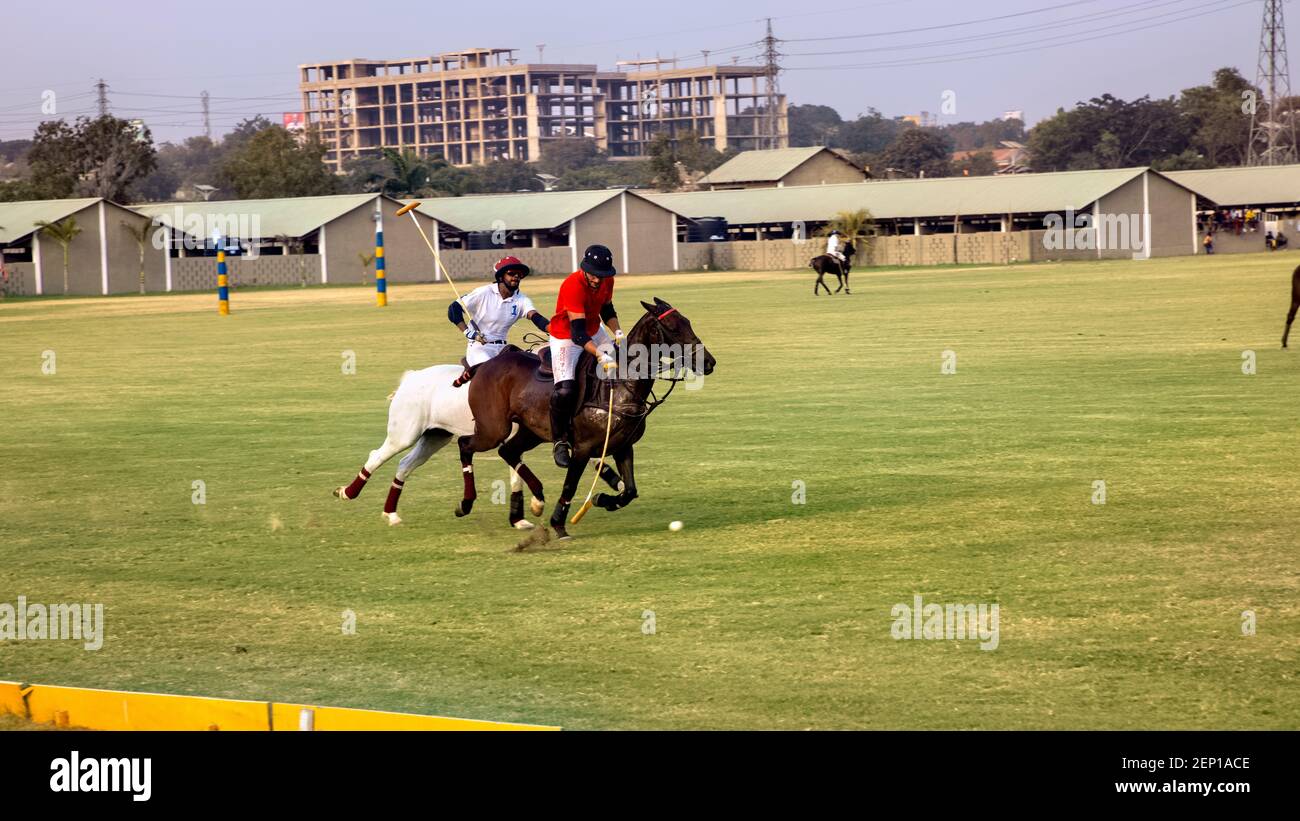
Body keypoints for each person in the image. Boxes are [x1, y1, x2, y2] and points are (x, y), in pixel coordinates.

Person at [548, 244, 621, 468]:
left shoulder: (607, 280)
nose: (598, 280)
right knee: (565, 389)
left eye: (602, 276)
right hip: (566, 336)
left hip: (593, 328)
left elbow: (606, 309)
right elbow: (578, 335)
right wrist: (600, 354)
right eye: (594, 275)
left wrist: (618, 332)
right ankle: (560, 441)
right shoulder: (572, 285)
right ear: (584, 269)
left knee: (622, 365)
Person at [447, 256, 549, 387]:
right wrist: (467, 332)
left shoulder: (521, 299)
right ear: (501, 276)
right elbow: (453, 309)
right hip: (479, 347)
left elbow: (536, 317)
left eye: (519, 274)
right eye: (511, 273)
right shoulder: (484, 292)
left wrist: (552, 329)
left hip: (502, 349)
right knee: (493, 375)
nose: (516, 277)